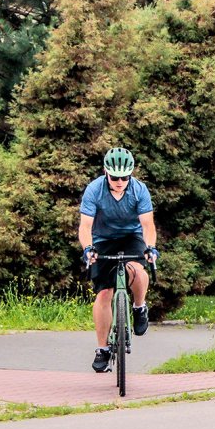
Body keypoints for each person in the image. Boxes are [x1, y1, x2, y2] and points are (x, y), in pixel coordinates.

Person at [78, 147, 159, 373]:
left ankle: (139, 307)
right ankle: (102, 349)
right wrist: (88, 248)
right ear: (106, 172)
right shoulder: (94, 190)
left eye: (125, 177)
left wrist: (150, 247)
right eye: (115, 177)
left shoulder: (139, 190)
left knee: (137, 270)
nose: (120, 181)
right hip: (103, 239)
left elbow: (147, 225)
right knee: (104, 293)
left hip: (132, 237)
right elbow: (85, 226)